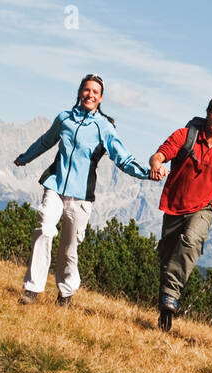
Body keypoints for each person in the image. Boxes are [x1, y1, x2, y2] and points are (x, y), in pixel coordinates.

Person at [12, 74, 149, 308]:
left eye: (95, 92)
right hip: (55, 185)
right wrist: (25, 157)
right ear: (79, 92)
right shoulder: (64, 118)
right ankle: (32, 289)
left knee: (69, 248)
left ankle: (65, 293)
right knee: (44, 227)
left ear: (101, 98)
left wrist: (146, 173)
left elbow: (121, 156)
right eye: (87, 90)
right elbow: (46, 141)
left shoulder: (104, 127)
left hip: (81, 196)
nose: (90, 94)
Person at [148, 96, 212, 331]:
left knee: (191, 241)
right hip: (174, 204)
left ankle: (170, 296)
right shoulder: (185, 135)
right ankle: (165, 310)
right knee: (167, 257)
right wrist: (156, 164)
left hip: (205, 208)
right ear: (208, 112)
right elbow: (159, 155)